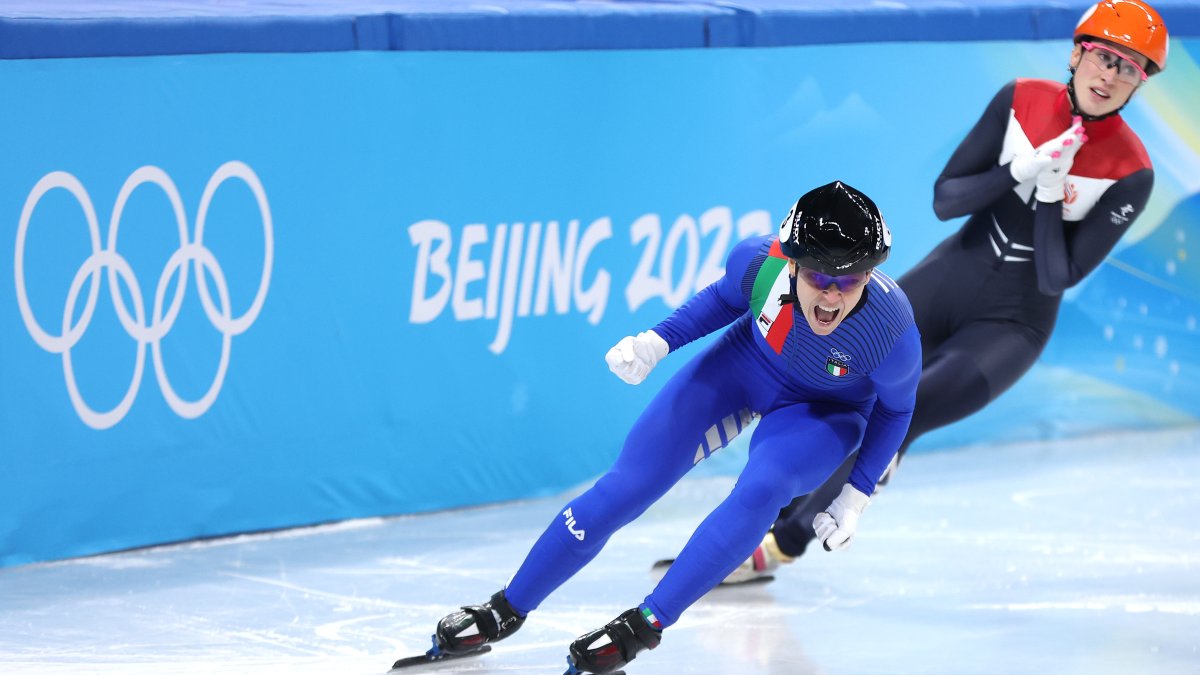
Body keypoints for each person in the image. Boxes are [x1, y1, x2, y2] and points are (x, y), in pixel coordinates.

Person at [710, 0, 1169, 585]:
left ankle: (781, 545)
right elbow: (946, 199)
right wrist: (1017, 172)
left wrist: (1051, 196)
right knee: (836, 374)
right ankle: (746, 522)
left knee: (909, 409)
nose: (1110, 76)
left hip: (1015, 323)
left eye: (1129, 68)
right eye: (1104, 57)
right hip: (950, 275)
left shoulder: (1132, 170)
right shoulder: (1020, 99)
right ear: (1078, 53)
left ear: (1140, 82)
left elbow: (1058, 276)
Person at [398, 181, 921, 674]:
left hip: (824, 410)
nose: (831, 297)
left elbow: (896, 410)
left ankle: (643, 625)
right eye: (819, 278)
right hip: (746, 366)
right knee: (627, 485)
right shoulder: (758, 261)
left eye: (850, 280)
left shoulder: (888, 329)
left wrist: (856, 494)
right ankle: (506, 608)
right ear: (792, 262)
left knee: (764, 488)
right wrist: (658, 340)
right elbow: (722, 300)